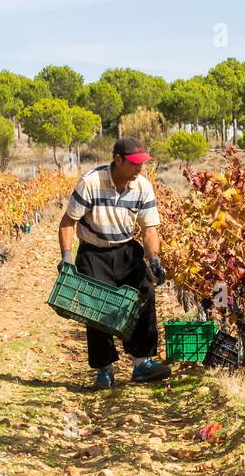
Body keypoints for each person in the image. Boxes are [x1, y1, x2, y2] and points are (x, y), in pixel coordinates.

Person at [58, 138, 172, 389]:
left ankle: (142, 363)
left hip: (125, 249)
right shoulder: (91, 182)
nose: (139, 168)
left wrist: (153, 259)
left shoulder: (142, 186)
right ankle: (104, 370)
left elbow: (149, 229)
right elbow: (68, 222)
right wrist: (66, 258)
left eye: (142, 163)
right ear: (117, 159)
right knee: (96, 308)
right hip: (93, 252)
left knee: (145, 294)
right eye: (134, 163)